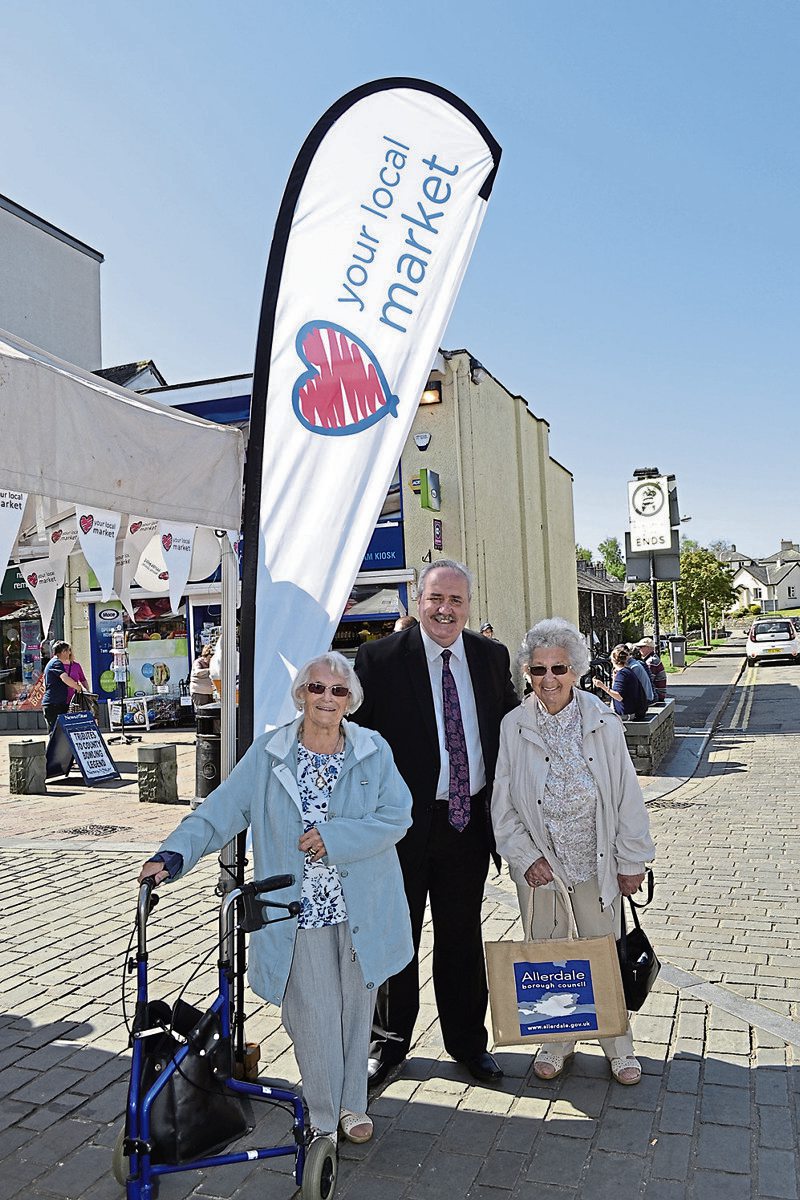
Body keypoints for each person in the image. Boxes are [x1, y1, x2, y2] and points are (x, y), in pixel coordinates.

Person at [137, 651, 412, 1146]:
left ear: (351, 701)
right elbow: (219, 811)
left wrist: (337, 837)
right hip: (295, 909)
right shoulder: (271, 753)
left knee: (355, 1009)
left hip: (362, 906)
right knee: (312, 1014)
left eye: (338, 691)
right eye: (318, 688)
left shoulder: (373, 749)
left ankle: (353, 1103)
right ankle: (326, 1115)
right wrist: (174, 853)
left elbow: (397, 816)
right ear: (301, 693)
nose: (327, 698)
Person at [352, 559, 519, 1087]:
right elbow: (354, 741)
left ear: (468, 606)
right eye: (435, 599)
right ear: (417, 601)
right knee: (395, 937)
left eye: (456, 601)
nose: (445, 610)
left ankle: (468, 1044)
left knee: (461, 938)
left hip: (467, 823)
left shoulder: (492, 658)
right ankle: (390, 1043)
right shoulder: (379, 659)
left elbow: (513, 729)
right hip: (401, 828)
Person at [491, 617, 655, 1086]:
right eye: (538, 669)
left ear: (576, 670)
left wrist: (631, 860)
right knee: (548, 952)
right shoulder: (513, 725)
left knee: (602, 950)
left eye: (558, 668)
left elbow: (626, 795)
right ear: (527, 671)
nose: (548, 679)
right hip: (543, 864)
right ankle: (555, 1039)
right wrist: (525, 858)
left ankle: (617, 1044)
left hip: (594, 858)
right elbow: (502, 804)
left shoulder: (603, 721)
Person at [593, 644, 649, 719]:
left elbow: (618, 696)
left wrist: (602, 686)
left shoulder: (622, 674)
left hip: (627, 714)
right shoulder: (627, 671)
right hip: (635, 711)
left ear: (612, 660)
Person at [42, 641, 87, 730]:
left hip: (59, 703)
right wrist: (77, 687)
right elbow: (65, 678)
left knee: (62, 733)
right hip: (53, 704)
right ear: (63, 652)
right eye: (67, 651)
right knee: (56, 733)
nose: (69, 653)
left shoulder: (54, 663)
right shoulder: (56, 663)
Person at [189, 644, 216, 713]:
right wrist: (210, 670)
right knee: (203, 713)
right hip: (199, 692)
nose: (212, 659)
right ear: (206, 655)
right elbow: (198, 672)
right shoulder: (198, 662)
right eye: (210, 657)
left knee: (213, 714)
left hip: (211, 693)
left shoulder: (214, 663)